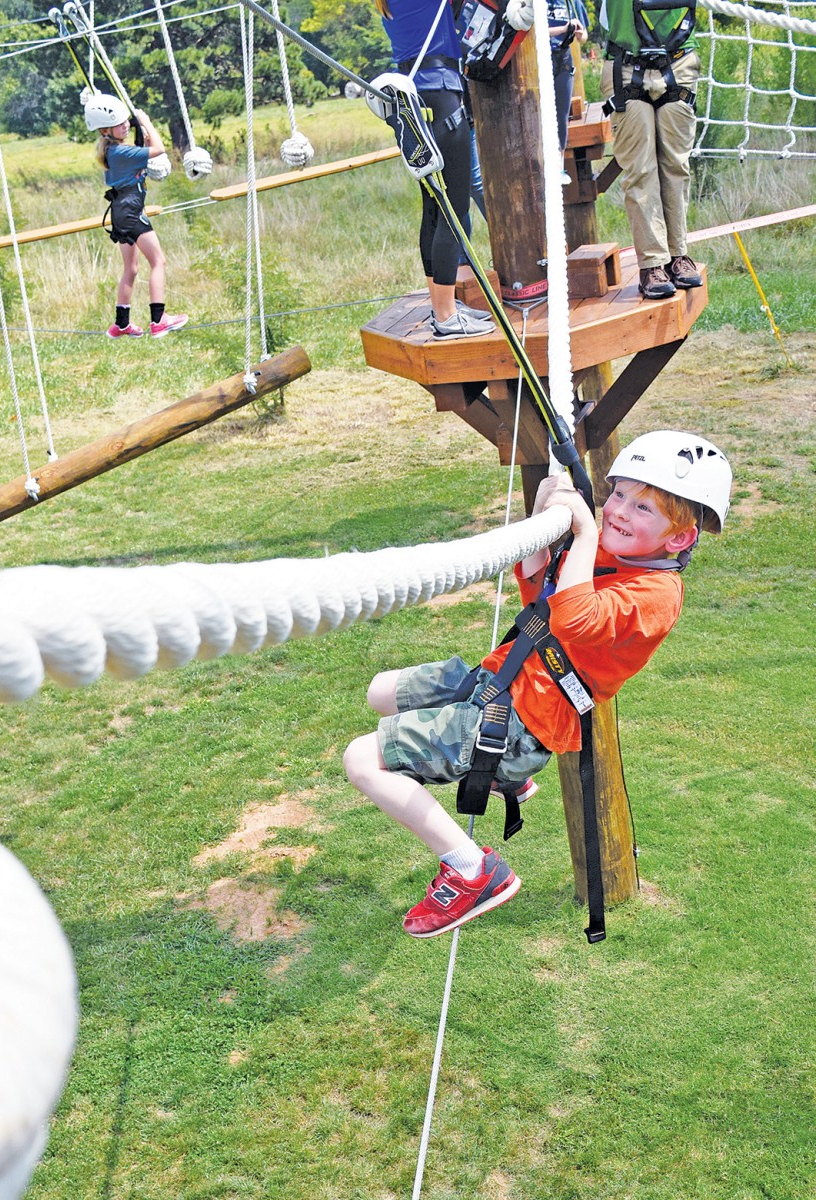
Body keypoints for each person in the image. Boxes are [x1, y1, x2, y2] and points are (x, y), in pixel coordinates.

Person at [344, 431, 732, 938]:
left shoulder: (655, 594)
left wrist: (586, 535)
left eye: (643, 508)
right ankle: (508, 780)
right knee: (380, 691)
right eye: (617, 494)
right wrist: (543, 524)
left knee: (361, 759)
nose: (617, 510)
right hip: (504, 676)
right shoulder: (615, 553)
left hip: (525, 722)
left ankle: (472, 870)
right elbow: (540, 595)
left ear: (679, 538)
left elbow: (573, 620)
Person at [374, 0, 495, 339]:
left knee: (434, 207)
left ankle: (443, 306)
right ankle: (445, 315)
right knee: (453, 208)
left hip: (414, 100)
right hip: (440, 92)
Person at [598, 0, 704, 300]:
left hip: (678, 59)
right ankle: (652, 263)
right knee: (640, 168)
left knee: (676, 165)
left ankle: (677, 255)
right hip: (627, 63)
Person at [84, 93, 189, 339]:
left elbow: (141, 144)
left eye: (125, 122)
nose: (125, 126)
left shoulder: (114, 150)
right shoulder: (121, 153)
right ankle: (159, 320)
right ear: (105, 130)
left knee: (131, 268)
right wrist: (145, 120)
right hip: (131, 212)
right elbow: (159, 149)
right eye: (119, 123)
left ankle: (121, 324)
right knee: (158, 262)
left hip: (121, 213)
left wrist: (134, 124)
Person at [548, 0, 589, 183]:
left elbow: (583, 37)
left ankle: (560, 167)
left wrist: (579, 32)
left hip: (563, 59)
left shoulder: (572, 2)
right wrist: (565, 28)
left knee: (561, 115)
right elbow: (532, 33)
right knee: (542, 114)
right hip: (539, 59)